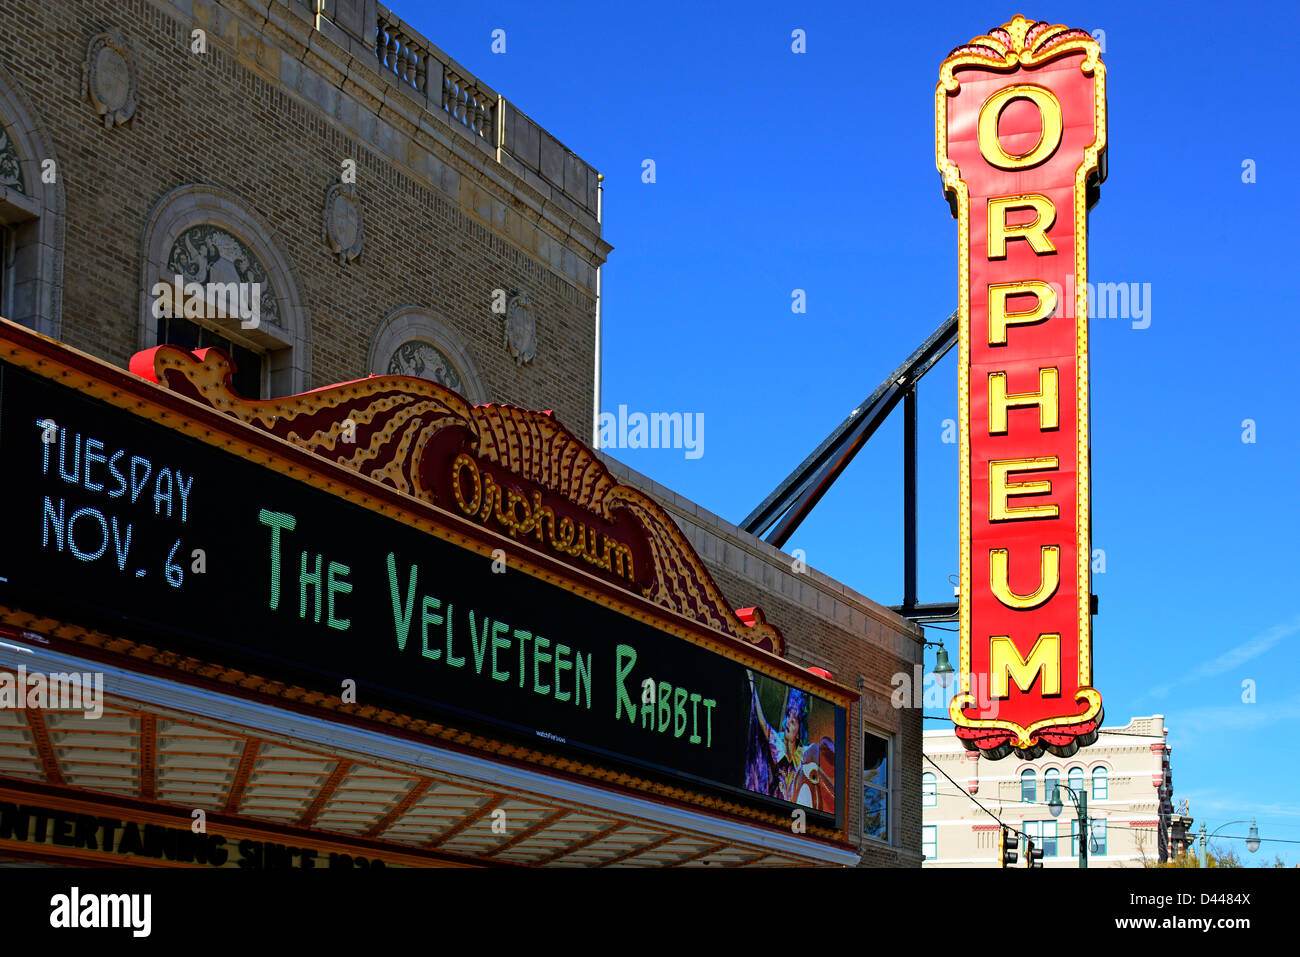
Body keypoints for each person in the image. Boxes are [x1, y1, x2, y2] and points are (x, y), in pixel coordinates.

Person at [745, 670, 833, 811]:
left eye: (792, 721)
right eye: (787, 716)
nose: (787, 723)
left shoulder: (805, 754)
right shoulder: (778, 741)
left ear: (798, 732)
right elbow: (762, 723)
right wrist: (751, 682)